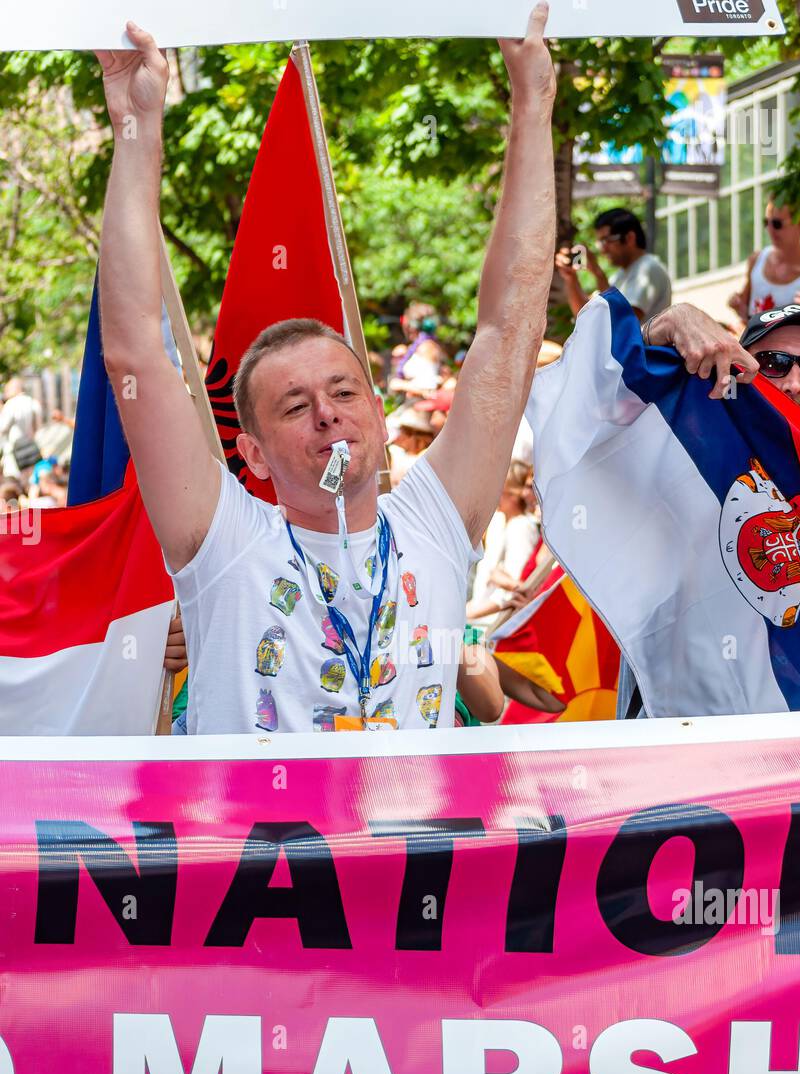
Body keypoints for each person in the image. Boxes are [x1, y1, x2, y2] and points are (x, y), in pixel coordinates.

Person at [96, 9, 556, 735]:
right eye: (293, 404)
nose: (328, 413)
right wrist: (134, 124)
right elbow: (133, 355)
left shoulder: (434, 522)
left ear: (376, 414)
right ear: (249, 451)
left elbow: (511, 328)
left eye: (344, 392)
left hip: (418, 849)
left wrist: (532, 104)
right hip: (262, 850)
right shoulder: (223, 538)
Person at [616, 299, 800, 717]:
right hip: (691, 737)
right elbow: (605, 390)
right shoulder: (687, 450)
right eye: (773, 363)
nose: (794, 383)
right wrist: (669, 322)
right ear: (737, 368)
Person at [555, 208, 672, 323]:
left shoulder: (648, 268)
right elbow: (585, 317)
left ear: (629, 238)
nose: (602, 250)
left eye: (607, 240)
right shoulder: (619, 276)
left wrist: (598, 273)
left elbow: (624, 321)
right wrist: (570, 278)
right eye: (600, 242)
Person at [728, 199, 800, 323]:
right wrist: (738, 306)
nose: (770, 229)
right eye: (766, 222)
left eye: (777, 223)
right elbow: (747, 316)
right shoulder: (756, 260)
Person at [467, 461, 540, 625]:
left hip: (494, 624)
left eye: (499, 489)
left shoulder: (522, 527)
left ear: (513, 495)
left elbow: (515, 588)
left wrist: (470, 614)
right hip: (478, 618)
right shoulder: (499, 521)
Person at [388, 302, 446, 397]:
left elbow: (429, 390)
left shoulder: (427, 347)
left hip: (420, 409)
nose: (405, 328)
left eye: (406, 323)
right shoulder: (418, 347)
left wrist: (401, 384)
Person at [0, 377, 43, 476]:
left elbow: (2, 428)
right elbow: (38, 427)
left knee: (13, 480)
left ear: (16, 388)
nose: (5, 392)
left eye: (7, 389)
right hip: (31, 447)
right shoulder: (33, 402)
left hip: (14, 450)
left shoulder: (11, 404)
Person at [386, 407, 436, 487]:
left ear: (418, 436)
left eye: (406, 432)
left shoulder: (429, 457)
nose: (401, 436)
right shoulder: (397, 453)